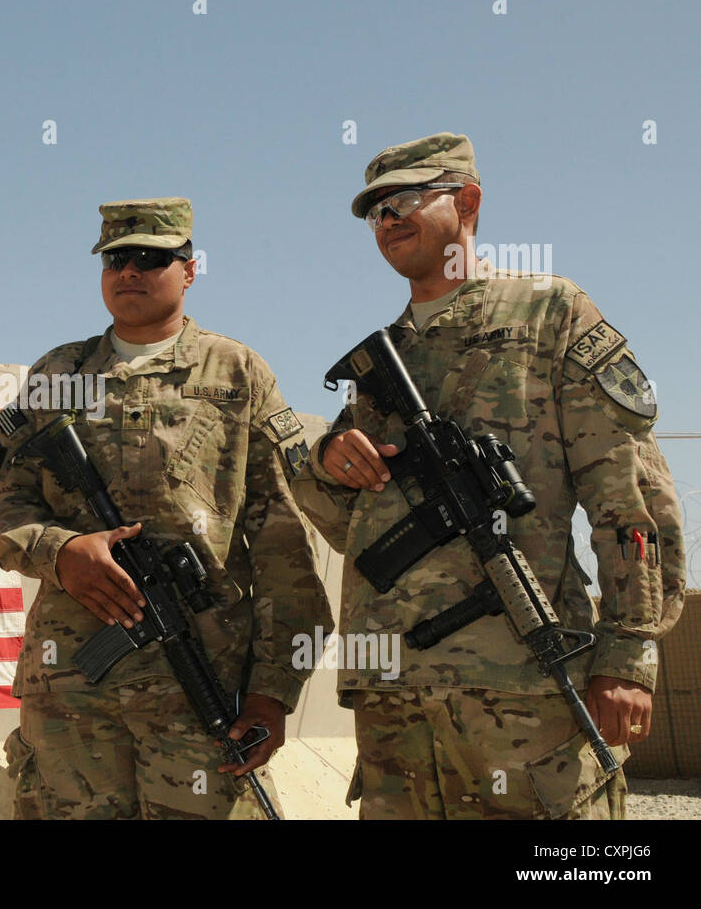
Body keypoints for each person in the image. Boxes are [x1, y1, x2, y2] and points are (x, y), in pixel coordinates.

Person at [290, 132, 685, 819]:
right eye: (375, 212)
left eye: (408, 199)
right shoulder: (384, 363)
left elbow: (632, 500)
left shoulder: (550, 312)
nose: (389, 221)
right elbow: (349, 528)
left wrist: (628, 653)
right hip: (395, 700)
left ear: (468, 201)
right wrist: (327, 464)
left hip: (526, 690)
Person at [0, 197, 332, 819]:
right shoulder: (58, 373)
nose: (129, 272)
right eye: (115, 259)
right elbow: (3, 503)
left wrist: (273, 693)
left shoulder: (236, 373)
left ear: (190, 269)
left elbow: (281, 546)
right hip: (70, 691)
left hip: (199, 684)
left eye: (151, 257)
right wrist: (60, 554)